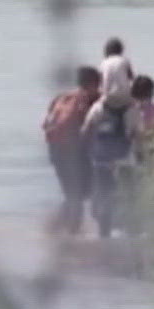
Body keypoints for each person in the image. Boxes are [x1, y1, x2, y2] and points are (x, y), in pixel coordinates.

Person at [41, 65, 101, 237]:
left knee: (74, 194)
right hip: (71, 153)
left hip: (55, 150)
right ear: (92, 84)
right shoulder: (85, 101)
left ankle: (58, 230)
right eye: (97, 84)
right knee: (80, 195)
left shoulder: (61, 98)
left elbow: (47, 123)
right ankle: (70, 235)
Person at [81, 73, 143, 239]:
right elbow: (138, 135)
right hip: (125, 158)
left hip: (102, 158)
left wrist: (89, 150)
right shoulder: (132, 109)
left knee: (104, 193)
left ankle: (104, 233)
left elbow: (85, 130)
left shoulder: (98, 107)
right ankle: (132, 232)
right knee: (130, 194)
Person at [98, 37, 135, 108]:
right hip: (125, 97)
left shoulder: (103, 63)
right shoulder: (124, 61)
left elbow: (100, 81)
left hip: (108, 97)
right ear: (121, 50)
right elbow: (132, 78)